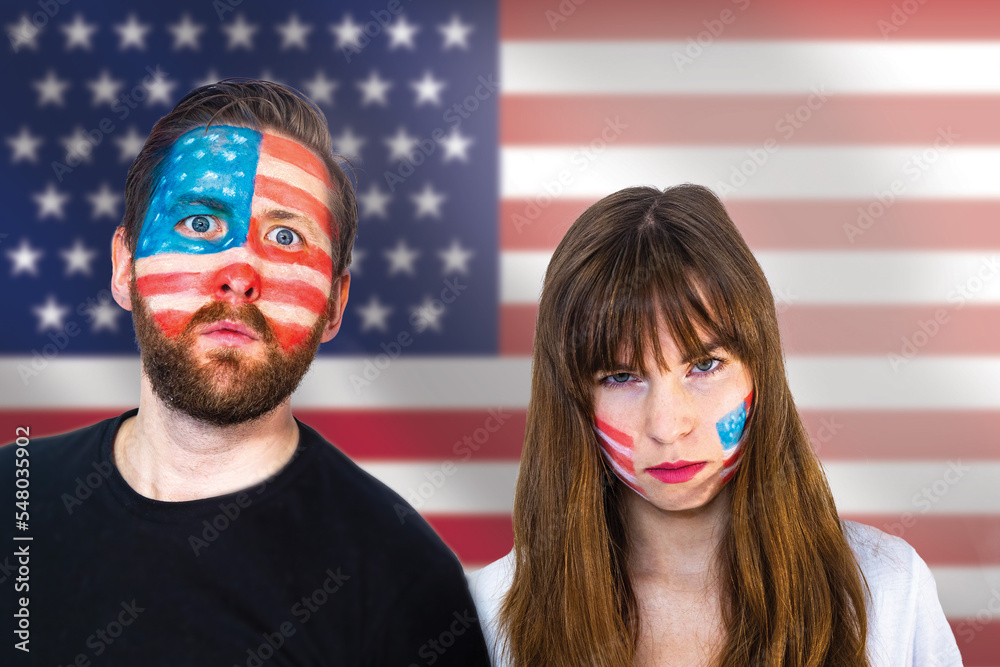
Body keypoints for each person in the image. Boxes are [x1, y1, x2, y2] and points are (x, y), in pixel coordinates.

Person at [0, 80, 491, 666]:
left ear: (335, 306)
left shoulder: (405, 583)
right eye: (200, 224)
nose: (240, 271)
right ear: (123, 266)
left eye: (286, 237)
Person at [467, 185, 962, 666]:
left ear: (759, 366)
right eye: (621, 376)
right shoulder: (486, 616)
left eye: (704, 366)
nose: (668, 426)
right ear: (571, 396)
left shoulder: (887, 588)